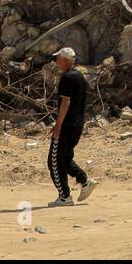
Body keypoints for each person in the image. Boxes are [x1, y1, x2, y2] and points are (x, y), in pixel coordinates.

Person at [48, 47, 97, 205]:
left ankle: (65, 196)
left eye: (58, 59)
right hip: (77, 124)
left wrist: (58, 125)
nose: (56, 62)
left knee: (54, 160)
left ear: (65, 61)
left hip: (67, 125)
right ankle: (84, 181)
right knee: (64, 158)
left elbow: (65, 103)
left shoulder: (67, 78)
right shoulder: (79, 76)